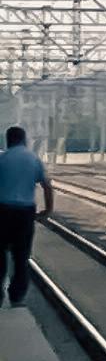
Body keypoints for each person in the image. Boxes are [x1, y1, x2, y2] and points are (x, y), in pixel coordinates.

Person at [0, 127, 45, 307]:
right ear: (24, 140)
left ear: (8, 140)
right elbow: (47, 186)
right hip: (25, 213)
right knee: (21, 256)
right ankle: (17, 296)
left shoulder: (2, 159)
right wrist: (48, 210)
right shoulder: (33, 159)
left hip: (2, 211)